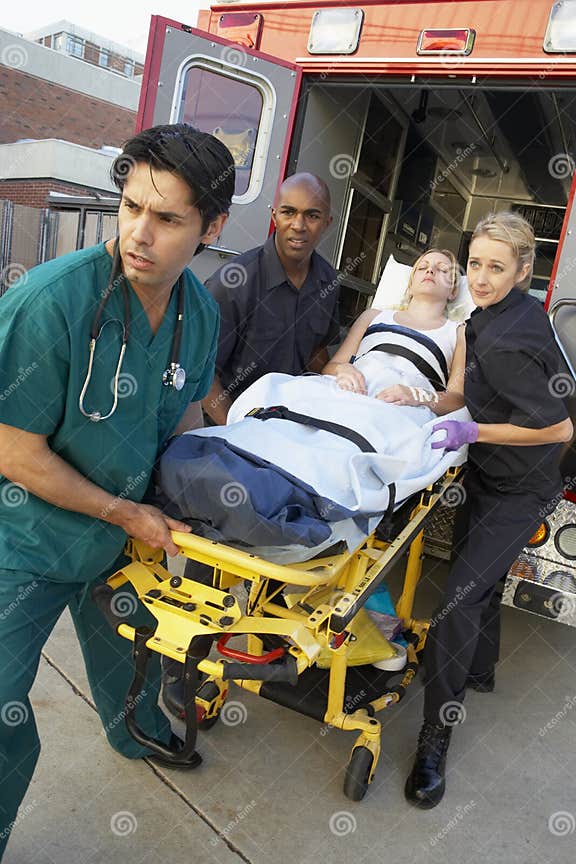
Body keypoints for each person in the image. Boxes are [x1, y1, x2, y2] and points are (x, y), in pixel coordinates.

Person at [0, 123, 235, 859]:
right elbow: (13, 449)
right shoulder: (52, 302)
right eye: (131, 206)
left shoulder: (199, 314)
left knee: (130, 651)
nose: (139, 232)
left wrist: (195, 504)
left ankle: (136, 731)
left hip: (120, 542)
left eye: (167, 219)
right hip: (25, 542)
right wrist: (124, 511)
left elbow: (186, 415)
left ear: (212, 227)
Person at [404, 212, 574, 810]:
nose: (479, 277)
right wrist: (427, 403)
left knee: (459, 596)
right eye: (474, 264)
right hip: (489, 472)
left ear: (525, 270)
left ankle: (434, 736)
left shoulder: (516, 335)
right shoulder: (485, 319)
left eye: (496, 268)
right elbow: (461, 390)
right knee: (483, 574)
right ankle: (478, 670)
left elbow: (558, 425)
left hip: (525, 483)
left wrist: (472, 430)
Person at [202, 172, 339, 425]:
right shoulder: (233, 283)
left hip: (289, 424)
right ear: (274, 216)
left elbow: (318, 353)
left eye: (312, 215)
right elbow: (203, 374)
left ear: (327, 223)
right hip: (228, 427)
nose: (298, 225)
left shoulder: (328, 281)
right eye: (289, 212)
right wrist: (236, 432)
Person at [322, 247, 466, 415]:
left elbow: (456, 398)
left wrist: (417, 395)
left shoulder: (458, 333)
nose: (430, 270)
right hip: (346, 396)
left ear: (453, 291)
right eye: (422, 267)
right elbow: (331, 367)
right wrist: (343, 369)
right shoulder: (372, 316)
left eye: (442, 269)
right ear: (410, 285)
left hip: (400, 413)